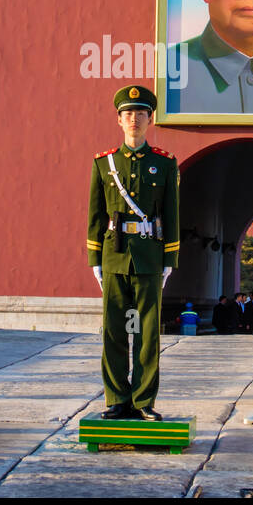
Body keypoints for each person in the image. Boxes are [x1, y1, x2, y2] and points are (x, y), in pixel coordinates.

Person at [87, 84, 179, 421]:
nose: (134, 119)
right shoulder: (103, 164)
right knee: (113, 330)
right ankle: (116, 399)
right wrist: (94, 260)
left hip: (150, 256)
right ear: (119, 120)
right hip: (114, 254)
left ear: (150, 119)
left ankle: (143, 401)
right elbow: (95, 215)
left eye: (141, 114)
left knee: (147, 331)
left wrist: (170, 259)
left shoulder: (164, 164)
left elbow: (171, 214)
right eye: (128, 114)